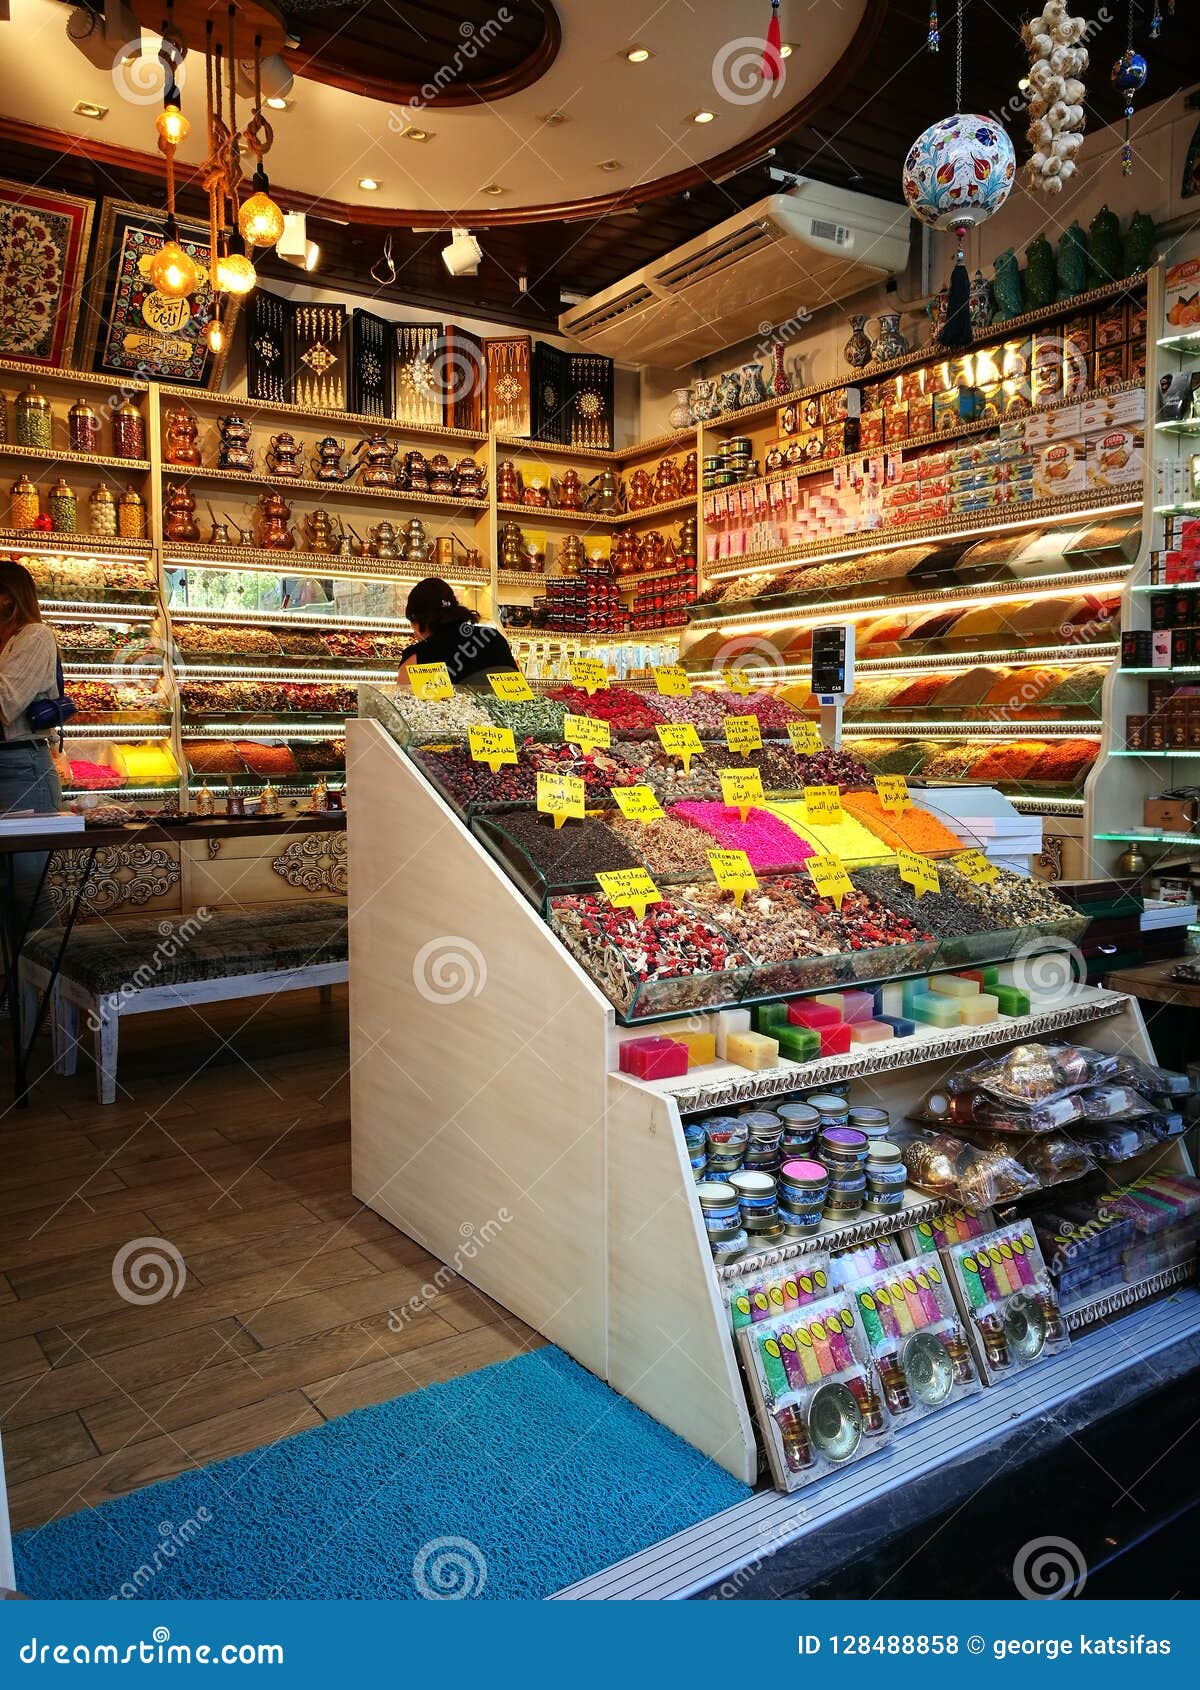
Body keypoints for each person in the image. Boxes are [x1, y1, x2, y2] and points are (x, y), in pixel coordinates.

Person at [0, 559, 64, 939]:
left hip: (21, 768)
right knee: (6, 888)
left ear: (8, 597)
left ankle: (52, 993)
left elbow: (5, 704)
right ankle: (19, 994)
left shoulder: (35, 637)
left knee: (27, 888)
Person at [398, 577, 519, 686]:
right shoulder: (494, 638)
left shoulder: (418, 657)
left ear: (419, 620)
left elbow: (402, 703)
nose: (414, 633)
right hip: (504, 710)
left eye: (412, 624)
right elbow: (517, 691)